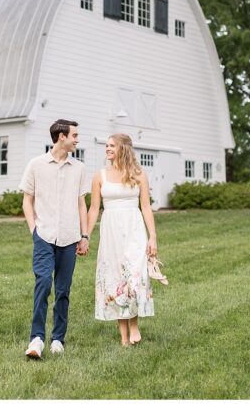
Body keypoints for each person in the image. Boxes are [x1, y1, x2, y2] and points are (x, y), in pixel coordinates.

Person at [21, 119, 91, 359]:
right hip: (44, 235)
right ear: (61, 136)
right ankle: (37, 338)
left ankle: (58, 339)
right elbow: (26, 200)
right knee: (43, 283)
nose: (77, 139)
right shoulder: (36, 165)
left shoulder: (79, 168)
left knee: (63, 289)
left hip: (70, 238)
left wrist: (84, 236)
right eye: (74, 135)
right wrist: (34, 230)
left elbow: (82, 204)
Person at [86, 133, 157, 345]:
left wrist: (152, 236)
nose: (107, 149)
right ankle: (124, 336)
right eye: (106, 145)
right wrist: (85, 236)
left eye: (111, 146)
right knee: (115, 277)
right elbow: (93, 209)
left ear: (123, 149)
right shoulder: (100, 176)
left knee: (134, 273)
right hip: (111, 232)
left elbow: (145, 207)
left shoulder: (139, 174)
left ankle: (134, 326)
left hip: (134, 229)